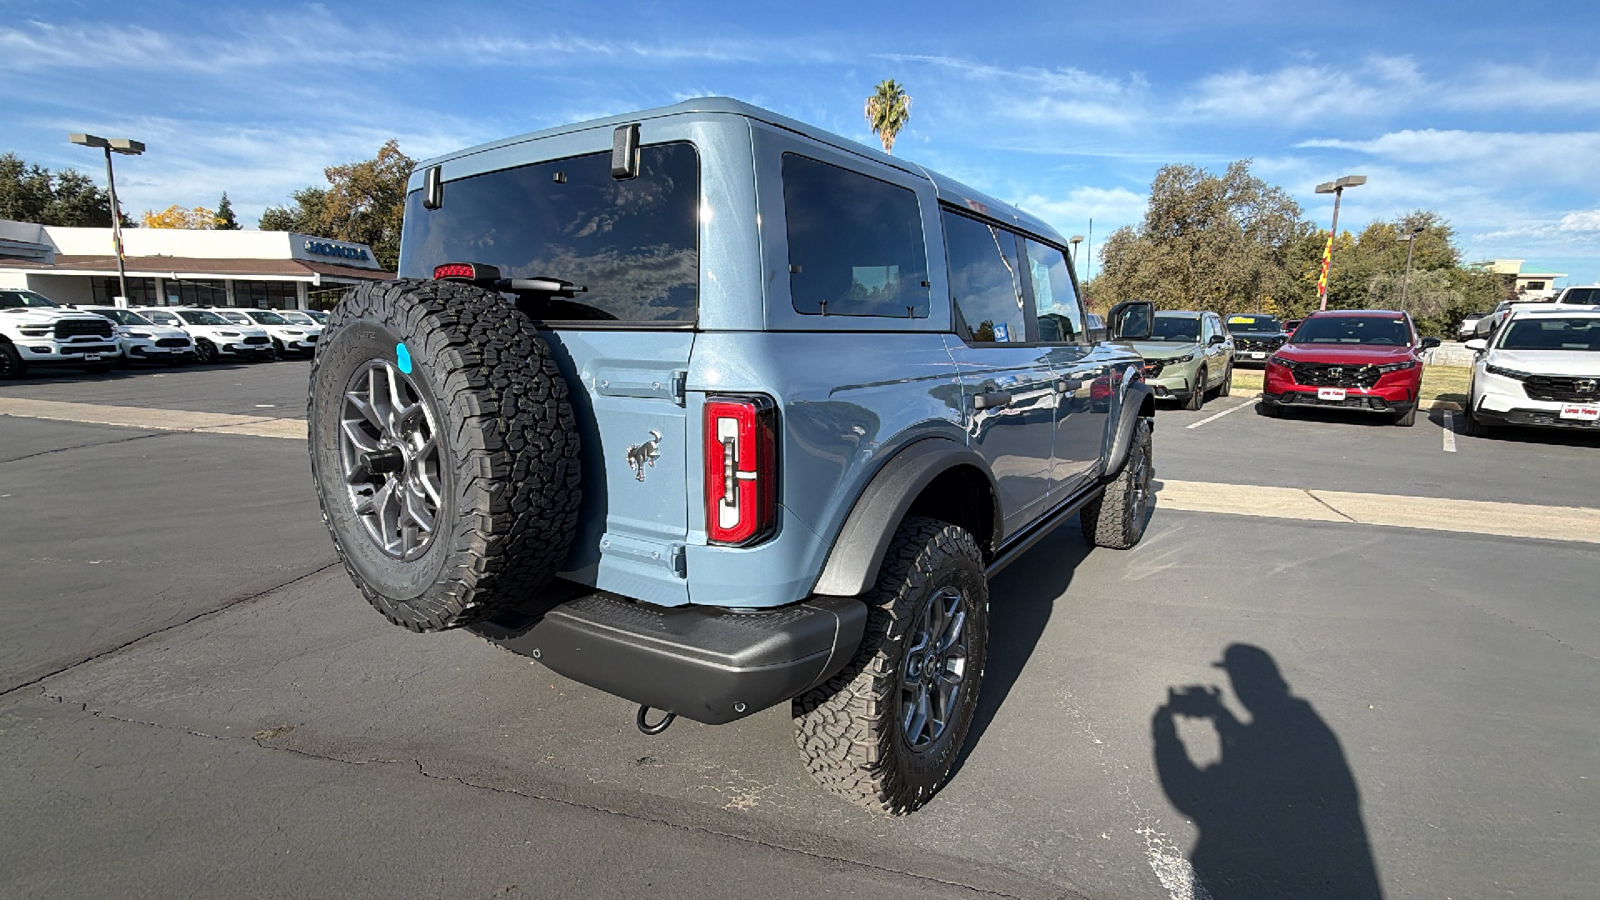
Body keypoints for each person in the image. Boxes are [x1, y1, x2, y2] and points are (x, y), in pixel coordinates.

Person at [1152, 644, 1384, 899]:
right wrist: (1220, 714)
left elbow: (1194, 797)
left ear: (1246, 682)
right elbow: (1257, 746)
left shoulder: (1284, 733)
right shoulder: (1305, 725)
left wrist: (1165, 737)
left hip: (1263, 875)